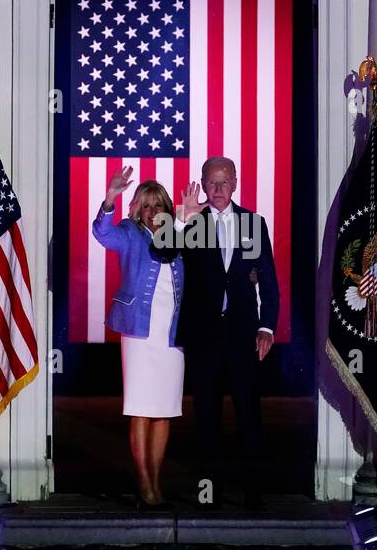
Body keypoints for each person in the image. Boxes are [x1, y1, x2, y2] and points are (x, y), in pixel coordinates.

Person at [175, 157, 280, 511]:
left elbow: (267, 278)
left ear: (235, 183)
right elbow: (162, 251)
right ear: (202, 184)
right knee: (206, 417)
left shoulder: (253, 223)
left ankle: (254, 492)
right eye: (211, 183)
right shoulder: (192, 222)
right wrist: (180, 220)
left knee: (249, 414)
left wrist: (267, 326)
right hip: (204, 336)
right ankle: (210, 493)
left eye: (224, 183)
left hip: (243, 335)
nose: (218, 191)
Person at [92, 168, 186, 509]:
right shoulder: (129, 233)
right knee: (141, 409)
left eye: (158, 204)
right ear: (136, 210)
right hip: (139, 332)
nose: (152, 210)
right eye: (145, 205)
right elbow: (102, 234)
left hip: (172, 336)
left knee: (164, 411)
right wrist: (110, 198)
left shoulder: (180, 234)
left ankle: (156, 481)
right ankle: (143, 483)